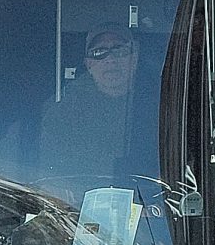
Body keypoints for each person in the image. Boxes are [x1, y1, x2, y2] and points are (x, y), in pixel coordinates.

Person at [36, 21, 154, 191]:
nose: (110, 59)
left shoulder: (162, 107)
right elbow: (49, 178)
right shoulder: (63, 114)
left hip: (151, 209)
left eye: (119, 50)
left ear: (134, 57)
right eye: (99, 52)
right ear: (88, 64)